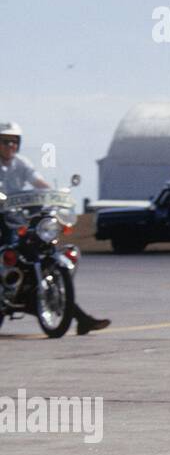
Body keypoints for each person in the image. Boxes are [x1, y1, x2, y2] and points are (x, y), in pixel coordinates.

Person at [0, 121, 110, 335]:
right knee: (9, 246)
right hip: (3, 217)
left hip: (21, 215)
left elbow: (38, 181)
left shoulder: (21, 163)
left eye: (14, 141)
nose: (10, 145)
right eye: (5, 141)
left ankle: (75, 315)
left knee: (42, 247)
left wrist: (54, 193)